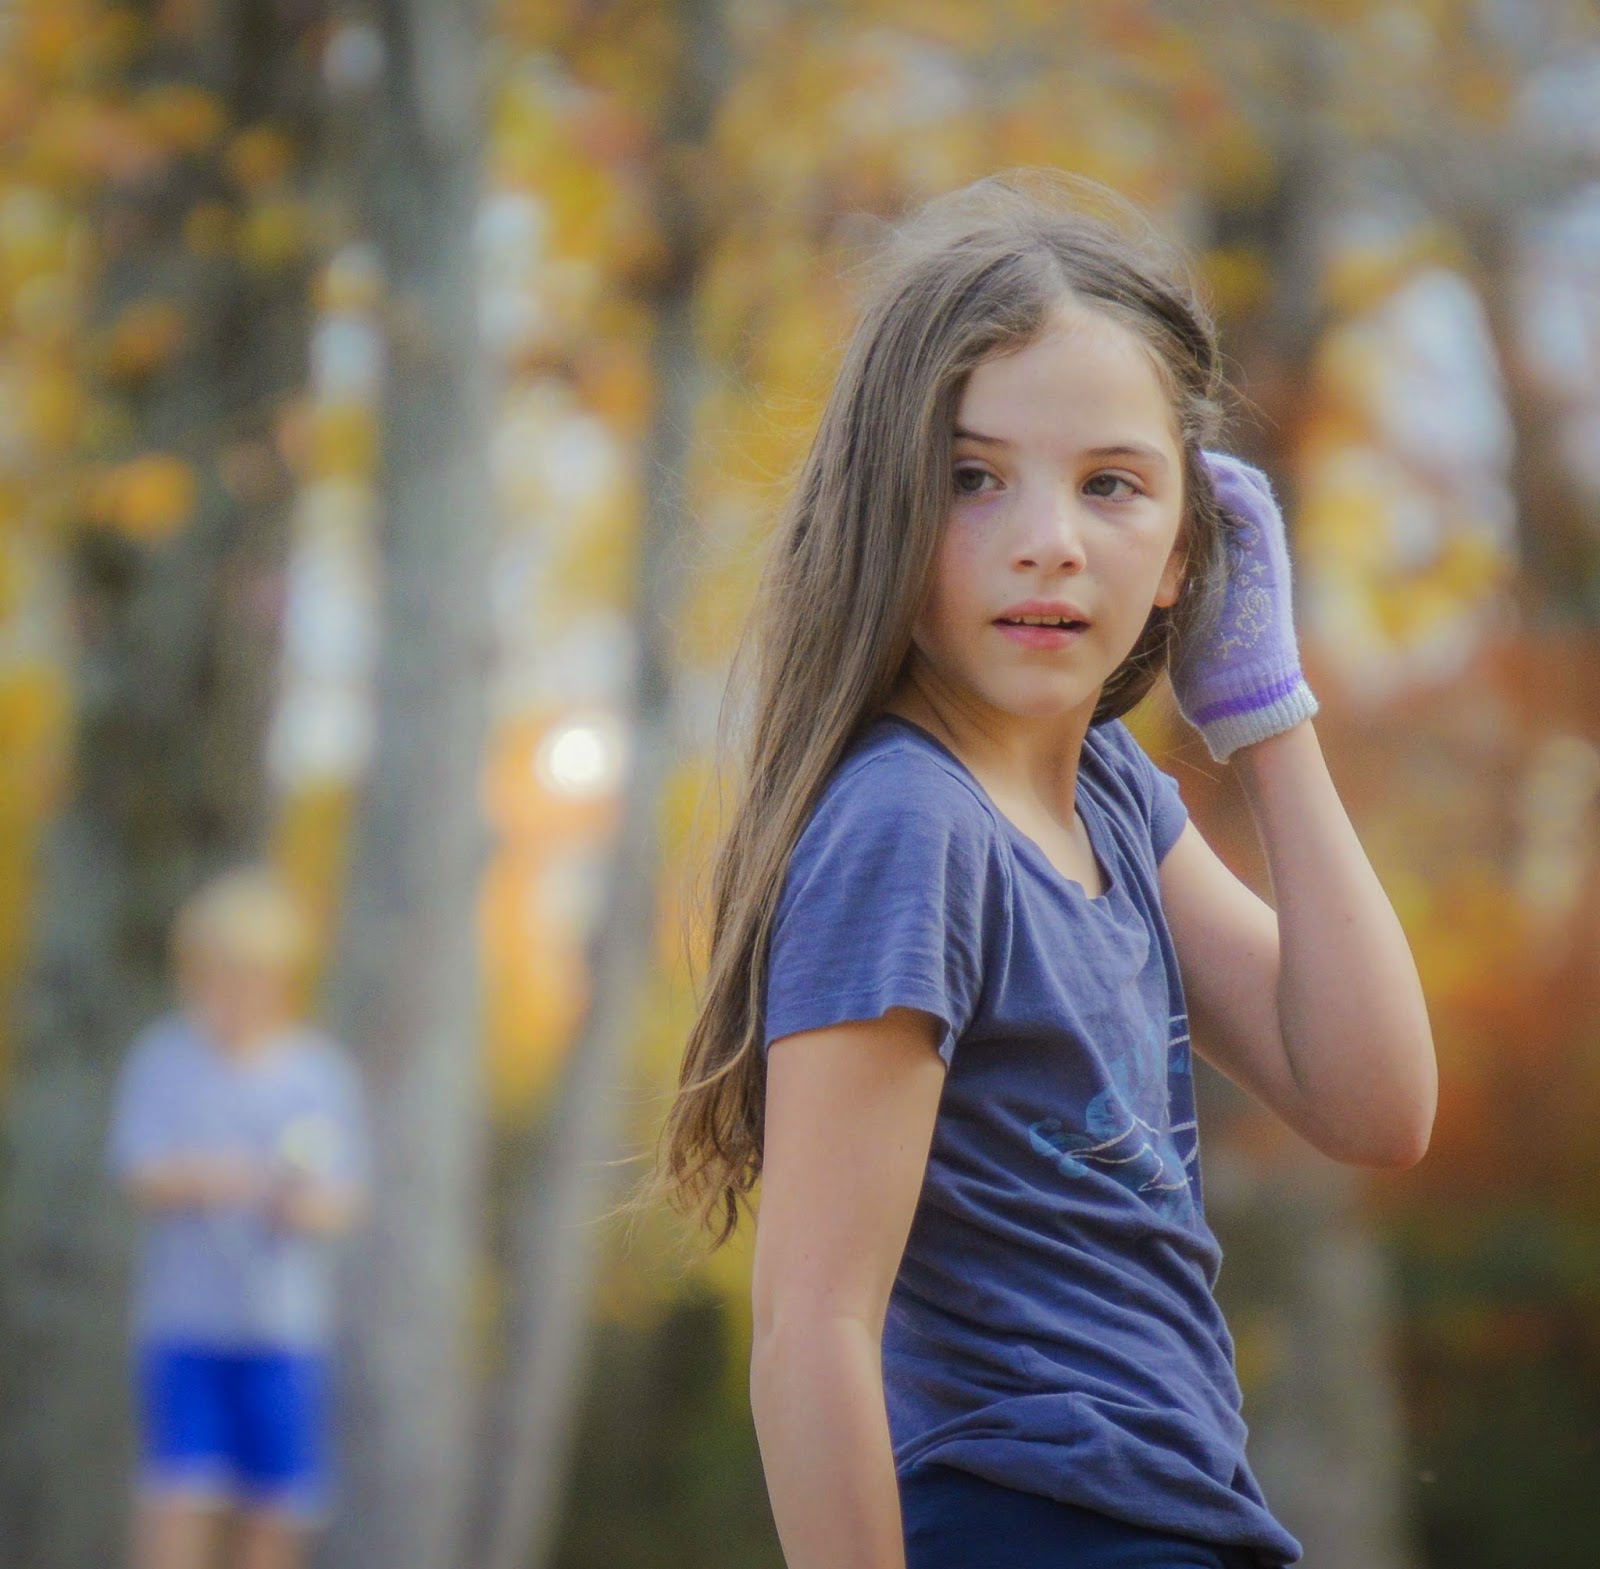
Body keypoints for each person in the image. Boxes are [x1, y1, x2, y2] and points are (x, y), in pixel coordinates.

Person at [645, 168, 1437, 1569]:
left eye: (1113, 486)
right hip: (1027, 1523)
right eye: (972, 477)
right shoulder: (914, 827)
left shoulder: (1113, 800)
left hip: (1181, 1516)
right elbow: (810, 1323)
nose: (1048, 538)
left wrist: (1267, 719)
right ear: (886, 503)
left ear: (1189, 549)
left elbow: (1373, 1100)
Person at [106, 865, 371, 1569]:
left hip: (282, 1331)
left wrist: (297, 1203)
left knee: (276, 1508)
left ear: (284, 981)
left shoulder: (317, 1073)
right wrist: (211, 1175)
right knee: (178, 1498)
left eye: (252, 976)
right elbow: (138, 1169)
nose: (234, 993)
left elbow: (340, 1197)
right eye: (218, 975)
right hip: (186, 1325)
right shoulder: (164, 1057)